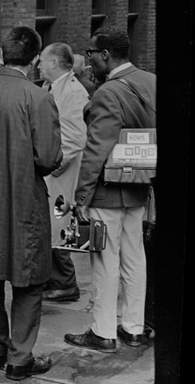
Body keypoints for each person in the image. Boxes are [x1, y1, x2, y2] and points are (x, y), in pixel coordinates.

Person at [0, 26, 62, 382]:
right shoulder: (36, 97)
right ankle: (19, 358)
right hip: (23, 201)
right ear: (35, 60)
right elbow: (49, 157)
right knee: (29, 278)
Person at [64, 26, 156, 353]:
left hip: (107, 190)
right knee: (135, 257)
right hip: (139, 184)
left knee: (105, 260)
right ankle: (133, 328)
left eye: (90, 52)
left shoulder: (107, 92)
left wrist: (81, 197)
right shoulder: (150, 80)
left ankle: (103, 332)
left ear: (105, 55)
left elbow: (96, 149)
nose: (87, 58)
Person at [37, 42, 90, 302]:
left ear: (54, 64)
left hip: (60, 174)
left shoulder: (72, 92)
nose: (38, 65)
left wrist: (52, 167)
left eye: (42, 61)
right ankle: (55, 280)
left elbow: (74, 138)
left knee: (59, 224)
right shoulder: (54, 87)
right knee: (52, 225)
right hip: (54, 172)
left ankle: (65, 283)